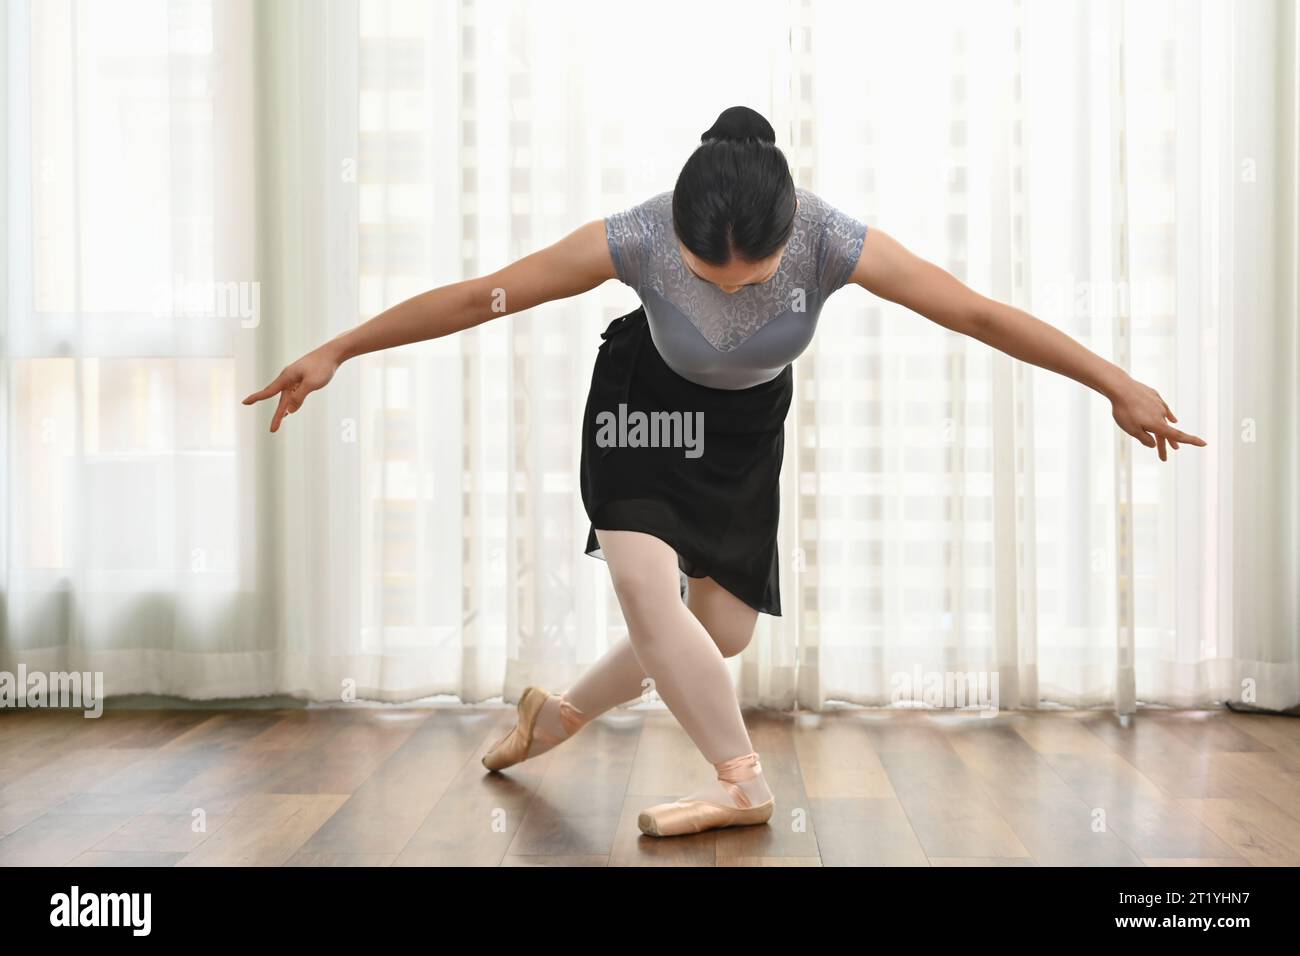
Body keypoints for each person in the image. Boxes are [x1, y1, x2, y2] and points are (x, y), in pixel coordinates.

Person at [243, 105, 1206, 839]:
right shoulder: (639, 235)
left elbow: (979, 315)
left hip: (745, 431)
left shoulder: (833, 239)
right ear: (681, 242)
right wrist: (339, 350)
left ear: (791, 234)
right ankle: (743, 783)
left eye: (754, 278)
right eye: (710, 279)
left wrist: (1113, 381)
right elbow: (478, 298)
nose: (733, 290)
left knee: (720, 633)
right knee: (643, 585)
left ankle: (560, 712)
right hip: (642, 406)